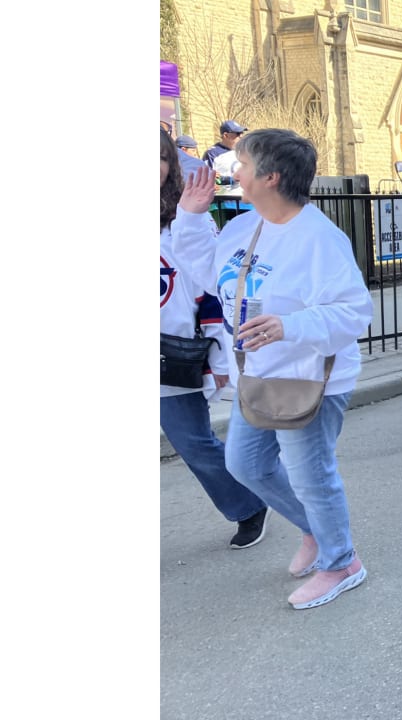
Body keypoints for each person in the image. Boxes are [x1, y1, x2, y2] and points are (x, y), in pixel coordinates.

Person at [171, 129, 375, 611]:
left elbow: (354, 311)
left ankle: (342, 561)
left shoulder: (321, 237)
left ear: (271, 176)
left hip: (310, 380)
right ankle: (315, 530)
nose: (232, 169)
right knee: (245, 464)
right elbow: (207, 274)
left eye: (241, 162)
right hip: (257, 376)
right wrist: (191, 215)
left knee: (312, 474)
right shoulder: (247, 227)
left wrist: (290, 325)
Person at [160, 128, 270, 550]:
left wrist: (217, 358)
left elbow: (211, 286)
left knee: (192, 441)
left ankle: (247, 503)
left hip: (171, 354)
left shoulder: (186, 217)